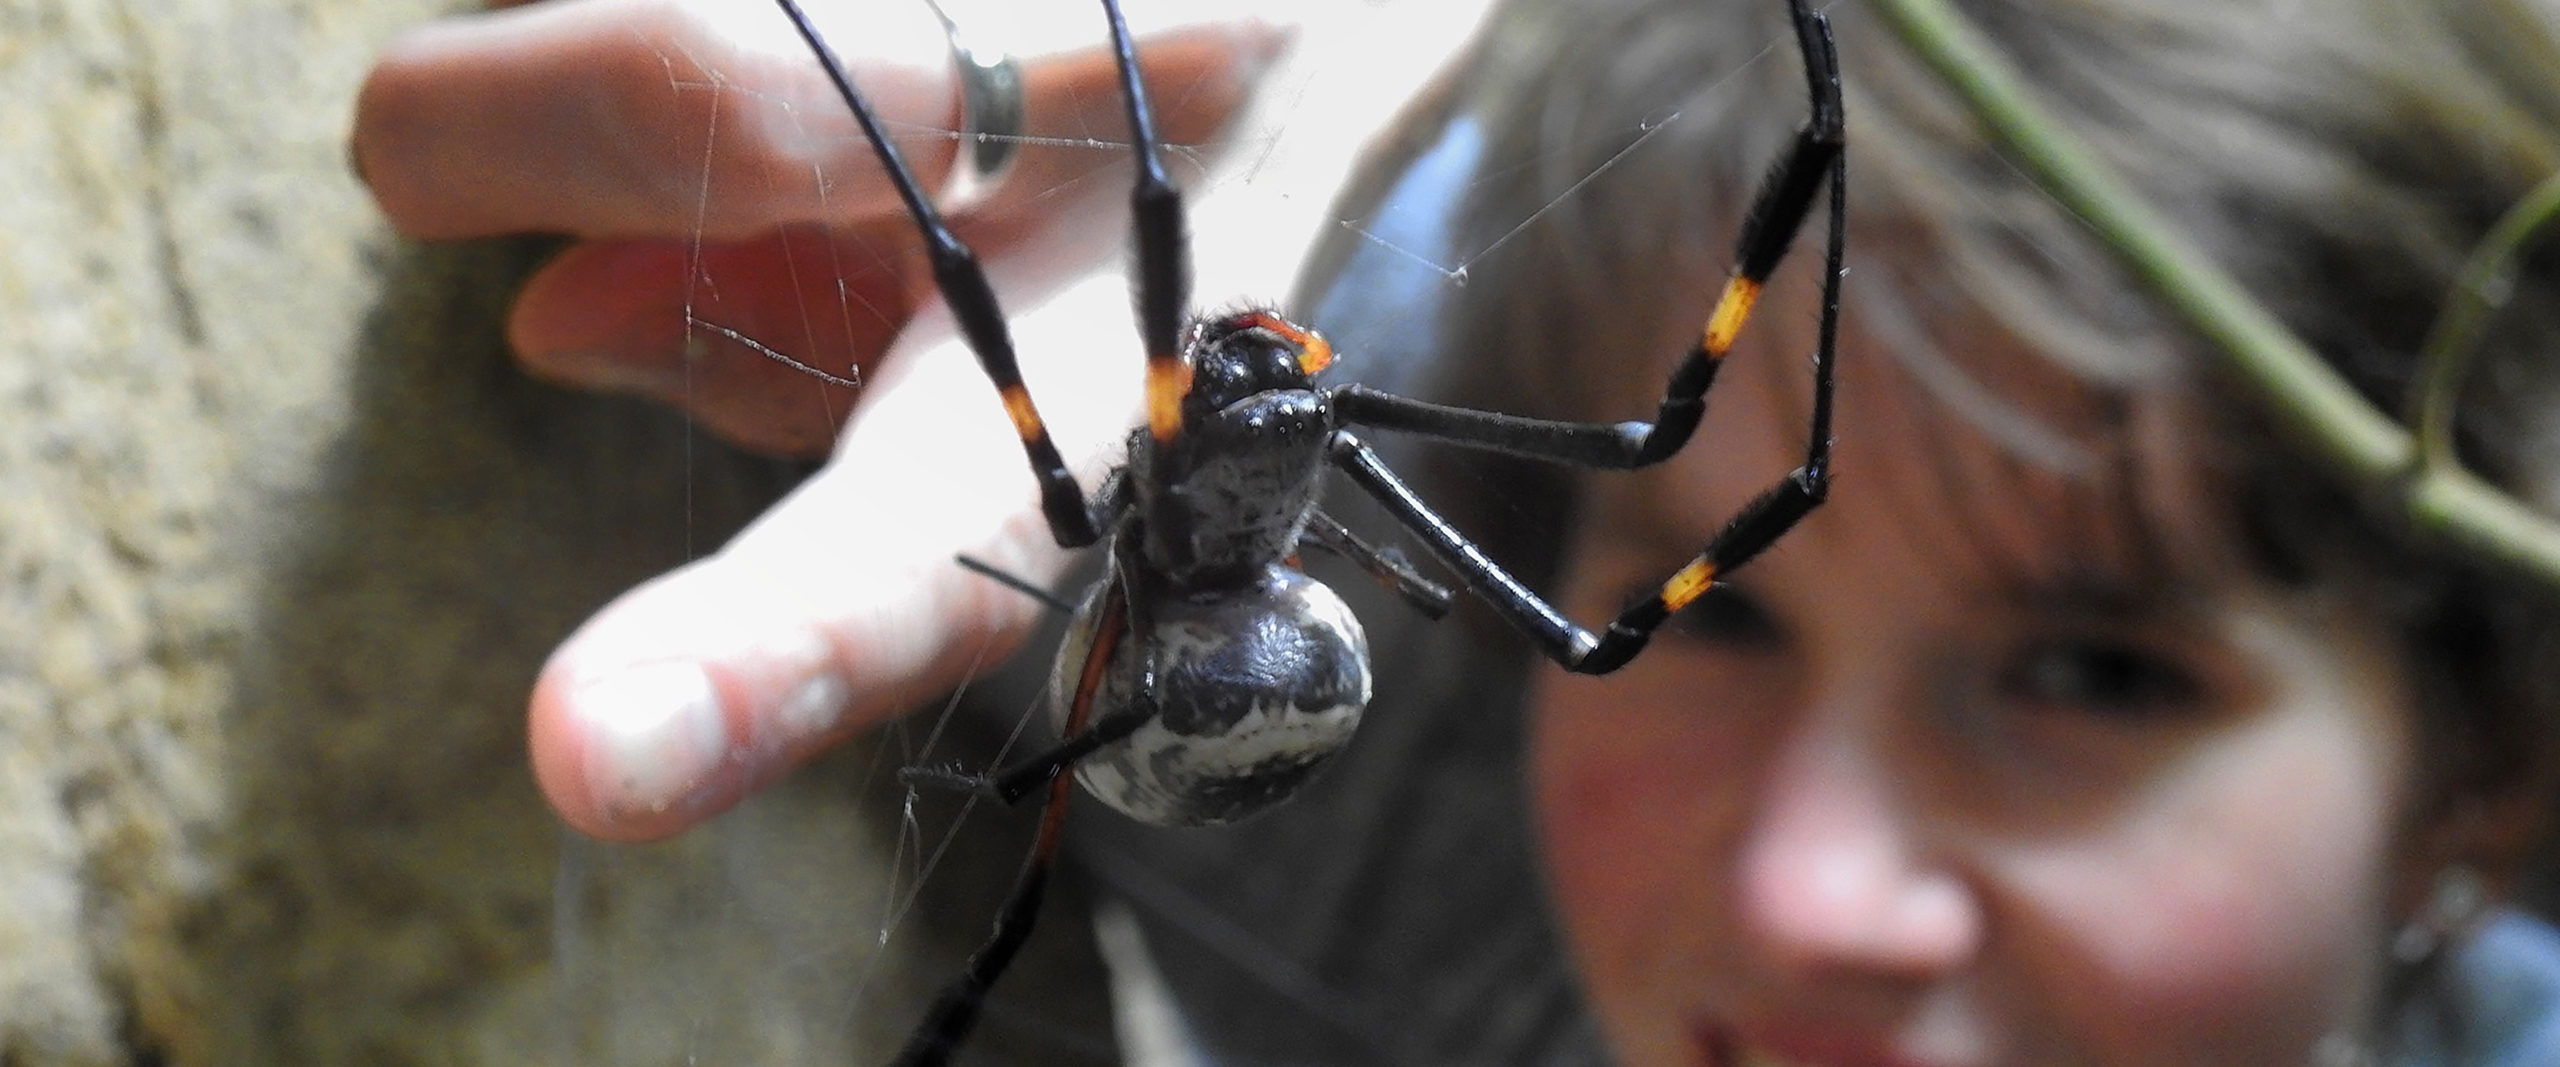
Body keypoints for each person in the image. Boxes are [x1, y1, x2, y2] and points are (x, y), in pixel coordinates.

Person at [354, 0, 2560, 1064]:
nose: (1811, 893)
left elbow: (1684, 437)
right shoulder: (1443, 790)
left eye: (2098, 672)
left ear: (2487, 783)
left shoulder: (1445, 849)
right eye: (1726, 627)